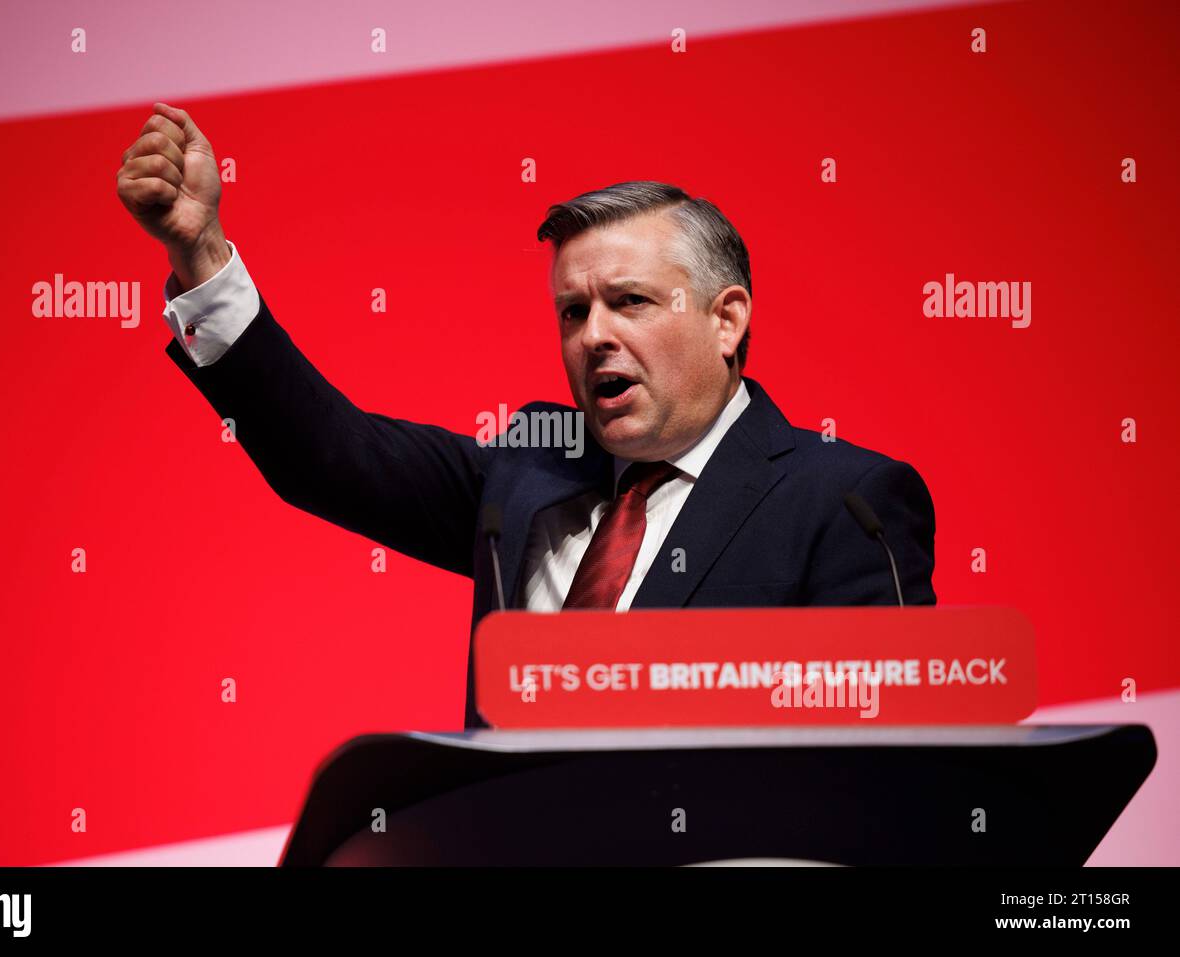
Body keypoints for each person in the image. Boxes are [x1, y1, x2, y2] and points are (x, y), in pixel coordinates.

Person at [116, 103, 937, 729]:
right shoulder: (527, 468)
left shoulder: (845, 502)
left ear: (726, 319)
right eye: (573, 311)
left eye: (630, 301)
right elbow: (327, 454)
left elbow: (888, 772)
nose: (594, 335)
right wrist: (201, 254)